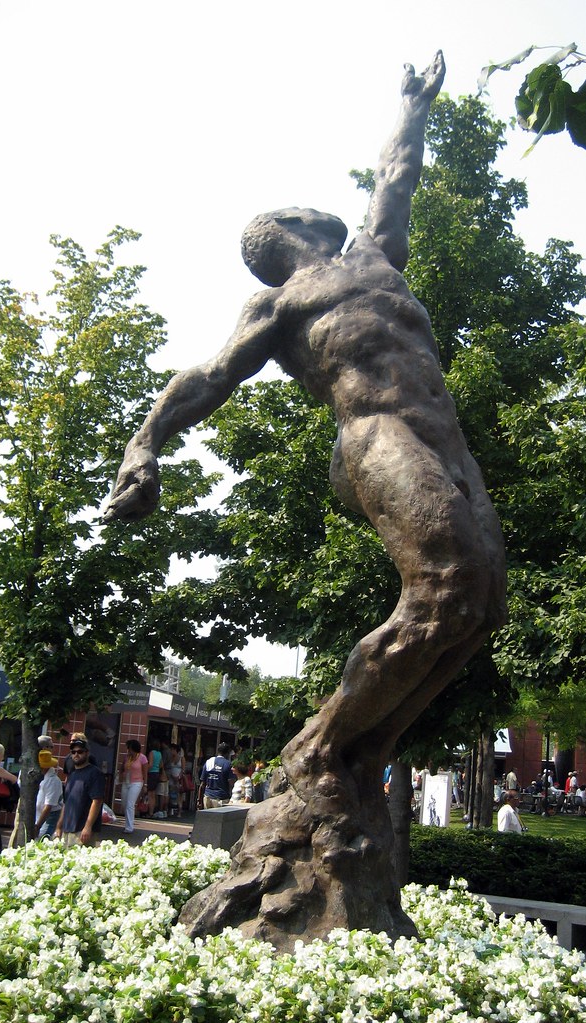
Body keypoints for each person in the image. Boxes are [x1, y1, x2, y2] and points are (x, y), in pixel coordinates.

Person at [103, 54, 506, 811]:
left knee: (481, 605)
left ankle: (366, 747)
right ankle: (315, 746)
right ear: (285, 230)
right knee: (445, 584)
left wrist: (413, 105)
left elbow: (395, 176)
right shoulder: (278, 303)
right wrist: (144, 442)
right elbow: (210, 375)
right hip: (376, 434)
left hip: (445, 442)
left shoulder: (377, 257)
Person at [54, 735, 105, 847]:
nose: (76, 754)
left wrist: (88, 826)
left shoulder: (95, 773)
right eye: (73, 752)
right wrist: (59, 826)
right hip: (68, 829)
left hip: (82, 831)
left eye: (80, 751)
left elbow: (97, 801)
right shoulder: (72, 774)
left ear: (87, 753)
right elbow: (66, 803)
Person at [34, 750, 64, 839]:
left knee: (42, 840)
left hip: (49, 818)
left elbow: (48, 806)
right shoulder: (42, 777)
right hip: (39, 815)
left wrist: (37, 826)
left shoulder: (53, 781)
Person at [121, 739, 148, 833]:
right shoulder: (126, 758)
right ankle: (128, 823)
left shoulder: (142, 758)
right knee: (124, 803)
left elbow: (145, 772)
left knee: (130, 804)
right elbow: (122, 768)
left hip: (137, 782)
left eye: (129, 748)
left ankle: (129, 827)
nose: (128, 750)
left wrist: (145, 784)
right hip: (126, 782)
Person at [198, 742, 233, 808]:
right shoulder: (228, 764)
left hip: (208, 797)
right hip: (221, 798)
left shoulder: (209, 762)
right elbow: (231, 783)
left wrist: (199, 800)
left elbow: (202, 783)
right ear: (227, 753)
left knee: (207, 817)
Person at [146, 740, 163, 818]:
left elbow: (150, 764)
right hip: (156, 773)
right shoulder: (159, 754)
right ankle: (152, 811)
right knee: (153, 794)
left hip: (151, 773)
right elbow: (161, 765)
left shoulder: (151, 753)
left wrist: (145, 771)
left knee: (149, 794)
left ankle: (149, 812)